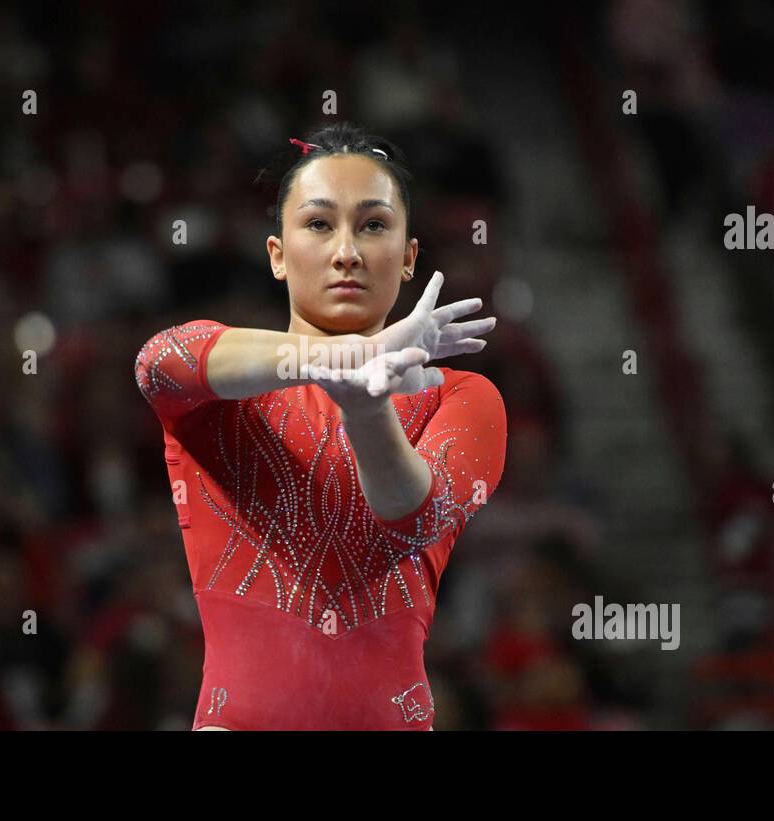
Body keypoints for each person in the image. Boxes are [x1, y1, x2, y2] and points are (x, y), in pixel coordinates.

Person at [134, 122, 506, 729]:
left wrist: (365, 406)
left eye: (374, 225)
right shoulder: (229, 391)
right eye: (318, 223)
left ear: (410, 257)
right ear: (276, 256)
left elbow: (413, 520)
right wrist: (339, 359)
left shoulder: (464, 397)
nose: (346, 253)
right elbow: (160, 363)